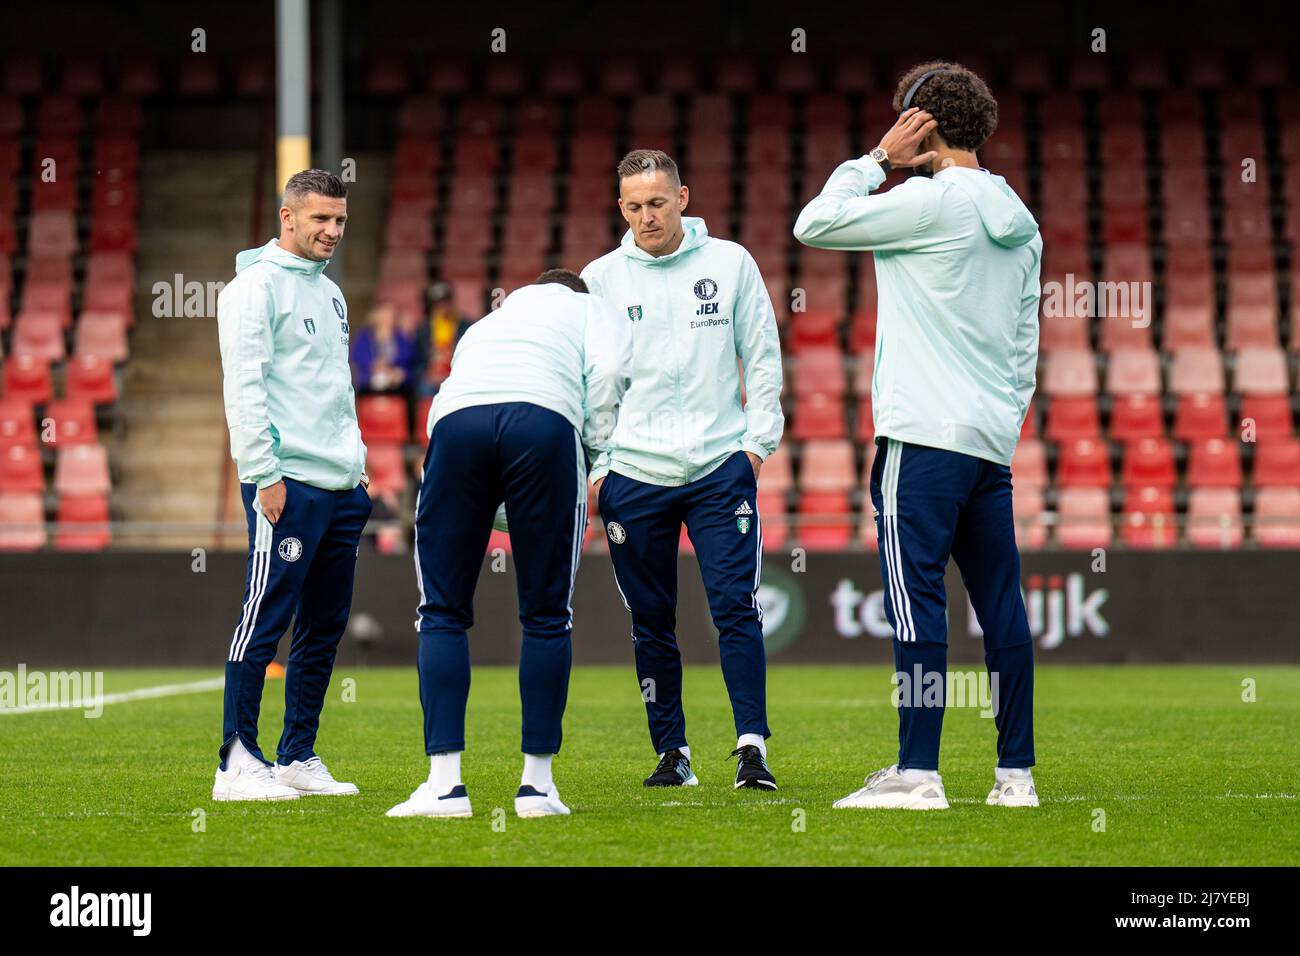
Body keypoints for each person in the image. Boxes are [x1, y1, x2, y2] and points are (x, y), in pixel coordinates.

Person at [793, 61, 1042, 810]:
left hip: (921, 437)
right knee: (1002, 603)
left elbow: (815, 223)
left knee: (915, 601)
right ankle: (1015, 777)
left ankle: (919, 771)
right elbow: (1027, 341)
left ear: (918, 126)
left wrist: (875, 161)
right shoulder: (1018, 216)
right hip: (986, 441)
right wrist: (1002, 423)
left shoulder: (929, 201)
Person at [387, 269, 632, 820]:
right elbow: (613, 370)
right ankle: (537, 788)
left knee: (442, 611)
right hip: (545, 421)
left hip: (456, 425)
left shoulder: (486, 324)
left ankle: (445, 786)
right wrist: (594, 446)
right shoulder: (593, 310)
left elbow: (446, 399)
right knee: (546, 615)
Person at [580, 149, 785, 791]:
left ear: (683, 198)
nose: (647, 216)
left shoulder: (731, 264)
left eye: (658, 203)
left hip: (720, 466)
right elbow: (589, 382)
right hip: (633, 475)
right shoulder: (600, 278)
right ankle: (673, 751)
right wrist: (600, 467)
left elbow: (763, 355)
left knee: (735, 606)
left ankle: (751, 747)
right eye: (635, 206)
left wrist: (756, 446)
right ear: (622, 209)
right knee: (651, 620)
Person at [213, 169, 372, 801]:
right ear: (287, 217)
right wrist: (263, 474)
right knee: (266, 614)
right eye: (320, 221)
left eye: (340, 222)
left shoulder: (330, 293)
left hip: (339, 485)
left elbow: (335, 387)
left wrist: (356, 464)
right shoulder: (254, 289)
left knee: (325, 623)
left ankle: (296, 756)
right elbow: (244, 386)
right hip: (288, 483)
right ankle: (235, 761)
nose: (332, 232)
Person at [350, 303, 416, 395]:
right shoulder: (364, 336)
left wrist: (391, 367)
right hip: (370, 376)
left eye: (390, 315)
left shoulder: (401, 337)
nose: (387, 318)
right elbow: (358, 355)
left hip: (395, 376)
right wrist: (374, 365)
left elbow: (409, 355)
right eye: (384, 314)